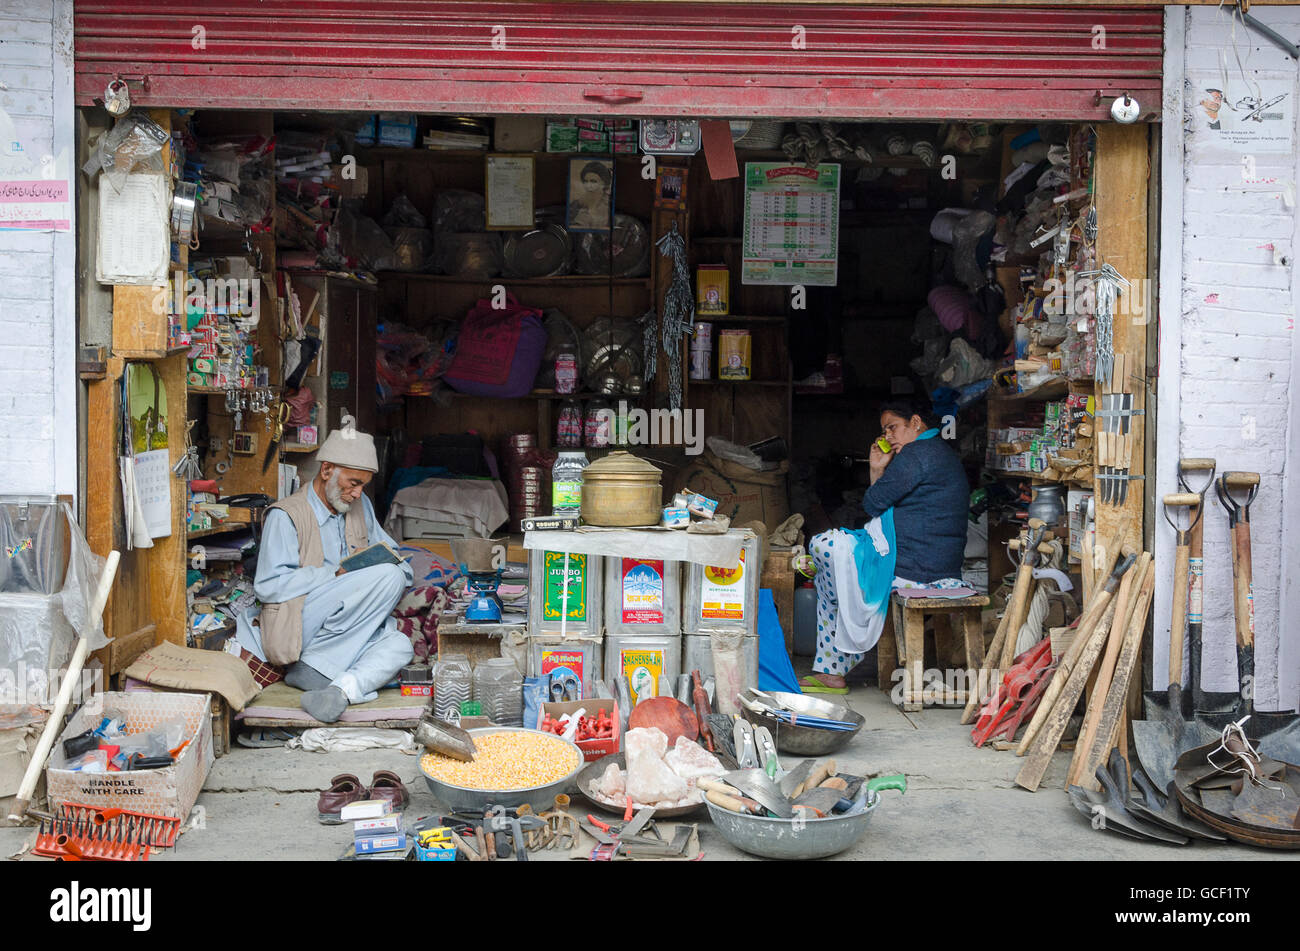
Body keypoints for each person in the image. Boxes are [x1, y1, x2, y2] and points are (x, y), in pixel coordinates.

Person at [232, 429, 414, 722]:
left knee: (399, 646)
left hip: (342, 625)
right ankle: (319, 665)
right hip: (301, 621)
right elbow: (268, 587)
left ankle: (339, 689)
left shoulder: (360, 505)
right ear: (327, 469)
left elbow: (392, 555)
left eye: (362, 486)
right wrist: (334, 574)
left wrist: (398, 569)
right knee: (388, 578)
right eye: (353, 483)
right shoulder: (286, 515)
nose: (357, 493)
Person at [799, 401, 970, 693]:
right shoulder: (938, 451)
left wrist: (877, 471)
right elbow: (880, 504)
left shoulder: (917, 453)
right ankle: (833, 663)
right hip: (935, 561)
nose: (888, 437)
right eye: (884, 431)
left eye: (892, 427)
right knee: (833, 566)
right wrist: (879, 470)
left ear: (916, 423)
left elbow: (873, 503)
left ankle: (833, 666)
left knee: (823, 547)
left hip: (915, 565)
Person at [569, 160, 612, 230]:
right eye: (586, 181)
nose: (589, 185)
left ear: (604, 183)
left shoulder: (610, 204)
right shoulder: (575, 205)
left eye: (593, 181)